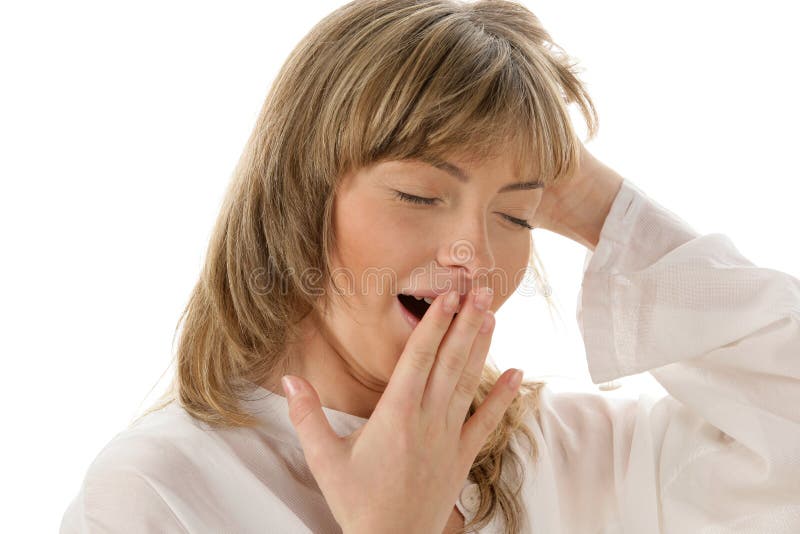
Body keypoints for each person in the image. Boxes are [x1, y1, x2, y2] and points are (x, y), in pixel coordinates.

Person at [60, 1, 800, 533]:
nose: (473, 254)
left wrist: (588, 197)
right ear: (299, 195)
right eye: (420, 194)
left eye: (514, 215)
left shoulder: (575, 455)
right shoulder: (153, 493)